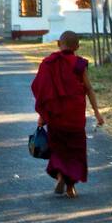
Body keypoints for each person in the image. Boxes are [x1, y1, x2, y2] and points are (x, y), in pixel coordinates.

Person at [31, 31, 104, 199]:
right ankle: (71, 187)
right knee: (75, 151)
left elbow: (43, 92)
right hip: (75, 118)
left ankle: (60, 176)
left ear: (58, 44)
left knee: (58, 149)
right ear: (77, 47)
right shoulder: (79, 64)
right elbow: (89, 89)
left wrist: (43, 116)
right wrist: (97, 112)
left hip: (56, 118)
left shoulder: (49, 64)